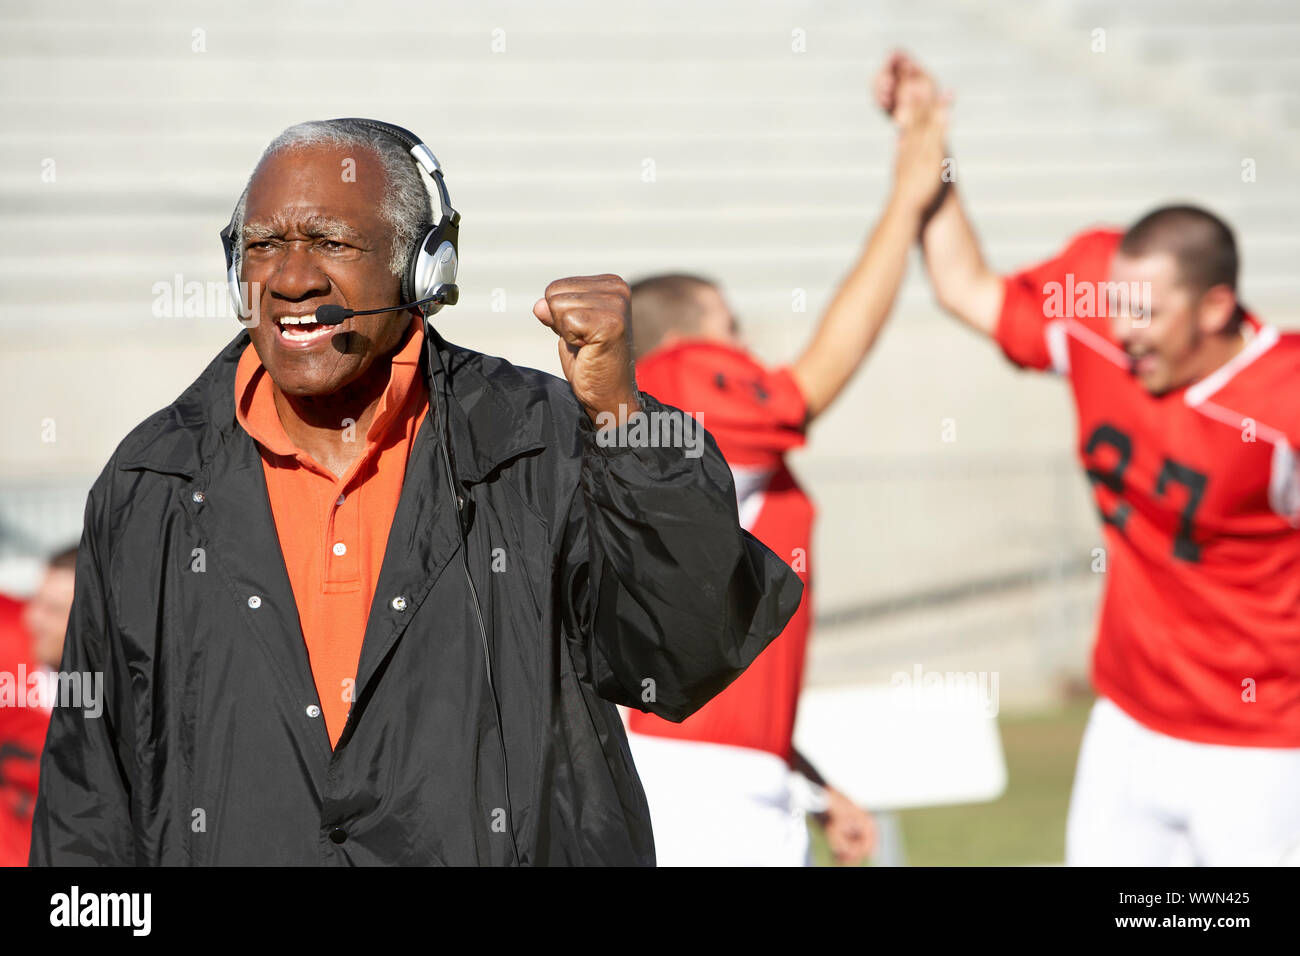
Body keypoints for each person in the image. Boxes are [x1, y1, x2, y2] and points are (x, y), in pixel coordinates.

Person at [30, 118, 802, 867]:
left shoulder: (542, 440)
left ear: (423, 267)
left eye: (330, 243)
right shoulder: (151, 478)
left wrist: (622, 417)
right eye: (264, 245)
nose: (292, 278)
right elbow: (89, 787)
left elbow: (679, 653)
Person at [876, 52, 1300, 865]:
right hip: (1130, 721)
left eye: (1148, 313)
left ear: (1215, 308)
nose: (1125, 329)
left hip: (1260, 745)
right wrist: (933, 152)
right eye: (1119, 305)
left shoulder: (1279, 404)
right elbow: (968, 288)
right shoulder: (1097, 310)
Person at [623, 94, 951, 865]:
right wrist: (904, 205)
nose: (745, 352)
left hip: (702, 773)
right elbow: (814, 382)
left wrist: (807, 781)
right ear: (683, 338)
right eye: (731, 327)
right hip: (701, 794)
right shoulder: (676, 375)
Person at [0, 545, 76, 866]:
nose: (33, 619)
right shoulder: (10, 659)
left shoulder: (135, 707)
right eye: (37, 602)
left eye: (54, 610)